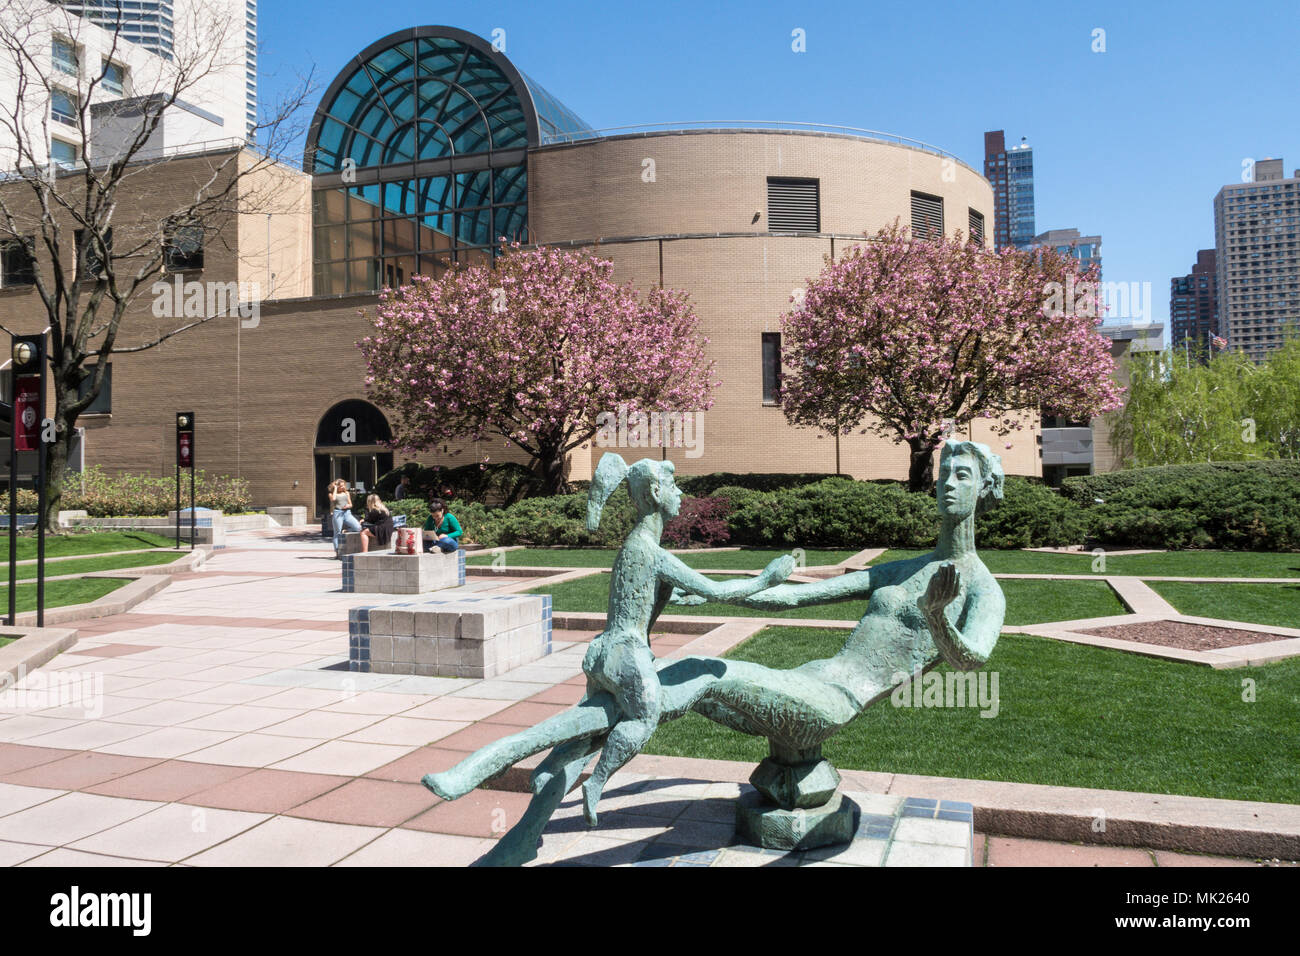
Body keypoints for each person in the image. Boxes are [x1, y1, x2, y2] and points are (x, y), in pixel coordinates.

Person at [421, 440, 1008, 866]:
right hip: (806, 680)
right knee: (654, 688)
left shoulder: (982, 589)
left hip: (834, 702)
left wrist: (936, 618)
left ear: (985, 488)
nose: (947, 483)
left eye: (961, 474)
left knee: (697, 674)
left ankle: (507, 766)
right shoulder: (898, 570)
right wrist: (765, 580)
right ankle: (532, 814)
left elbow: (970, 661)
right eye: (943, 474)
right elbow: (792, 601)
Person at [328, 479, 361, 557]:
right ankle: (338, 552)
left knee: (358, 527)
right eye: (341, 485)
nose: (343, 487)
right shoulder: (331, 494)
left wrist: (348, 506)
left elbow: (351, 504)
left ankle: (346, 531)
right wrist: (335, 489)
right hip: (338, 513)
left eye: (343, 485)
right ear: (336, 486)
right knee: (337, 533)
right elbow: (333, 499)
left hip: (347, 513)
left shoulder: (346, 493)